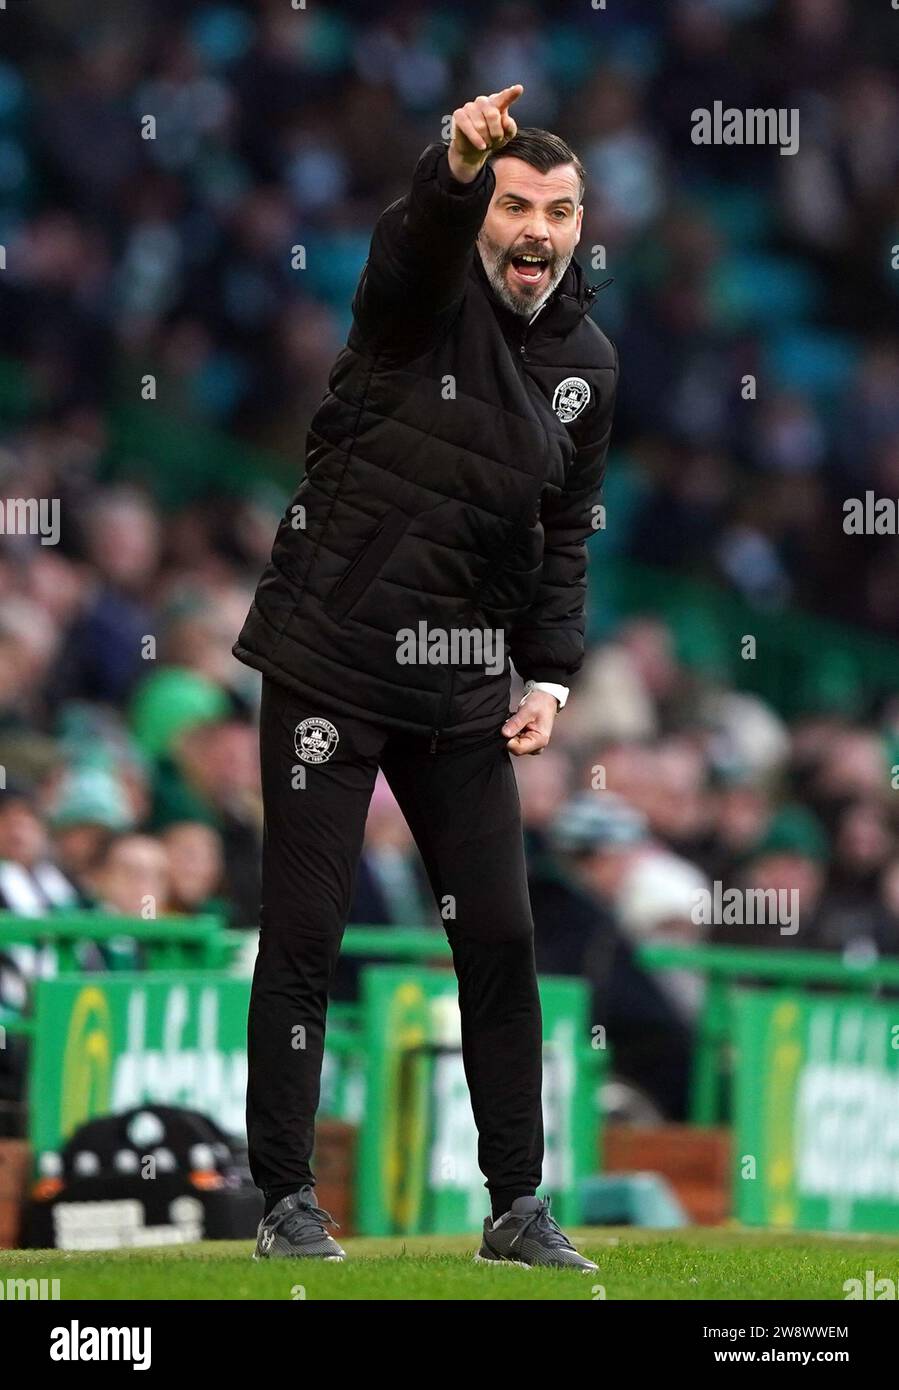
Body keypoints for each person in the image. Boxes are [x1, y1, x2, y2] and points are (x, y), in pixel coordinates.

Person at [234, 85, 618, 1267]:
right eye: (513, 204)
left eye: (557, 208)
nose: (535, 230)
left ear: (580, 221)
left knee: (499, 937)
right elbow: (410, 248)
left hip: (462, 683)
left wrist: (548, 674)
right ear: (485, 212)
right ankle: (287, 1200)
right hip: (332, 659)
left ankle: (516, 1206)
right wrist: (448, 169)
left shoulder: (588, 366)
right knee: (308, 928)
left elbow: (567, 532)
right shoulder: (418, 296)